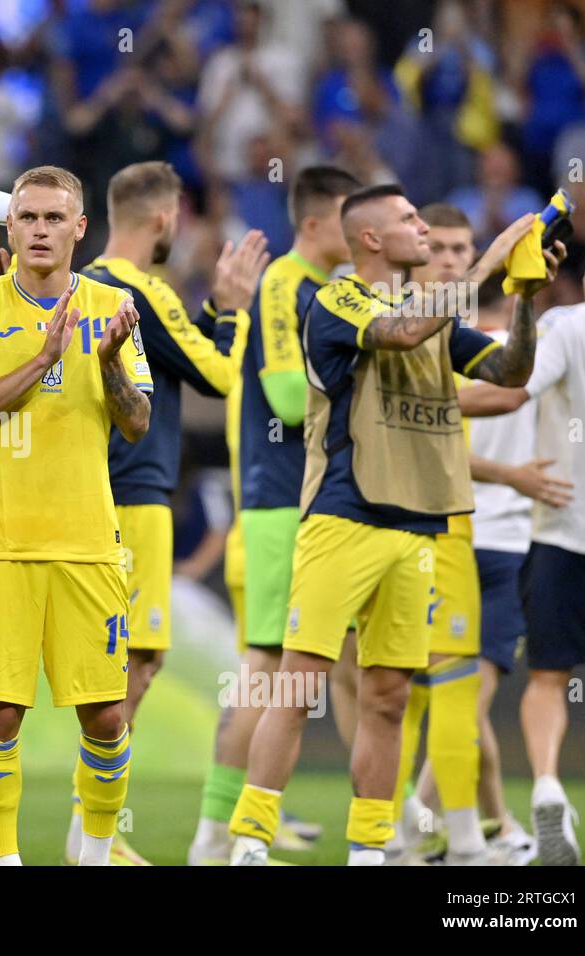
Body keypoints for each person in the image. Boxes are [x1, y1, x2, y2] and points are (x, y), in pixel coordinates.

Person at [227, 183, 559, 866]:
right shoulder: (339, 299)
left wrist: (523, 297)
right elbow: (402, 332)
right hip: (343, 518)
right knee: (297, 685)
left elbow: (509, 373)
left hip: (418, 528)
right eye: (411, 221)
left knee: (387, 697)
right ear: (371, 239)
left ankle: (371, 850)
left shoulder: (433, 314)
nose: (423, 232)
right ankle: (250, 843)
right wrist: (489, 261)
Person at [0, 165, 152, 866]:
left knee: (107, 715)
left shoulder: (114, 306)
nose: (38, 230)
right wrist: (44, 358)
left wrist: (112, 361)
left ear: (79, 229)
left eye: (54, 218)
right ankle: (3, 860)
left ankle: (91, 854)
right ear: (11, 226)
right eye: (26, 217)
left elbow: (137, 424)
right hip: (0, 543)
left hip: (89, 542)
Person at [74, 160, 263, 866]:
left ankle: (81, 831)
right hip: (134, 497)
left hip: (93, 491)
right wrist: (237, 305)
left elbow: (183, 356)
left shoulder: (87, 283)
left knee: (103, 664)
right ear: (162, 218)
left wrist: (212, 311)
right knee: (135, 663)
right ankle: (89, 834)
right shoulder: (140, 288)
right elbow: (216, 371)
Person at [189, 166, 360, 865]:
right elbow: (291, 400)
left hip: (314, 505)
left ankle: (391, 817)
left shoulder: (324, 291)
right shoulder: (285, 286)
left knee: (347, 668)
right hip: (278, 505)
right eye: (354, 216)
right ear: (317, 221)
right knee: (272, 670)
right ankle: (218, 834)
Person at [459, 221, 585, 865]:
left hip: (564, 529)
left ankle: (550, 784)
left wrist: (426, 404)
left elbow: (509, 392)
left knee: (550, 678)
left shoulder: (571, 325)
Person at [389, 203, 538, 865]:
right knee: (389, 691)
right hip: (388, 529)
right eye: (441, 248)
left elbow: (510, 384)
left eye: (463, 249)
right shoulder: (381, 319)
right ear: (417, 251)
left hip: (469, 533)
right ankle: (391, 834)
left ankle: (463, 835)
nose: (451, 259)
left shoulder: (457, 337)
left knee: (456, 693)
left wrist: (525, 300)